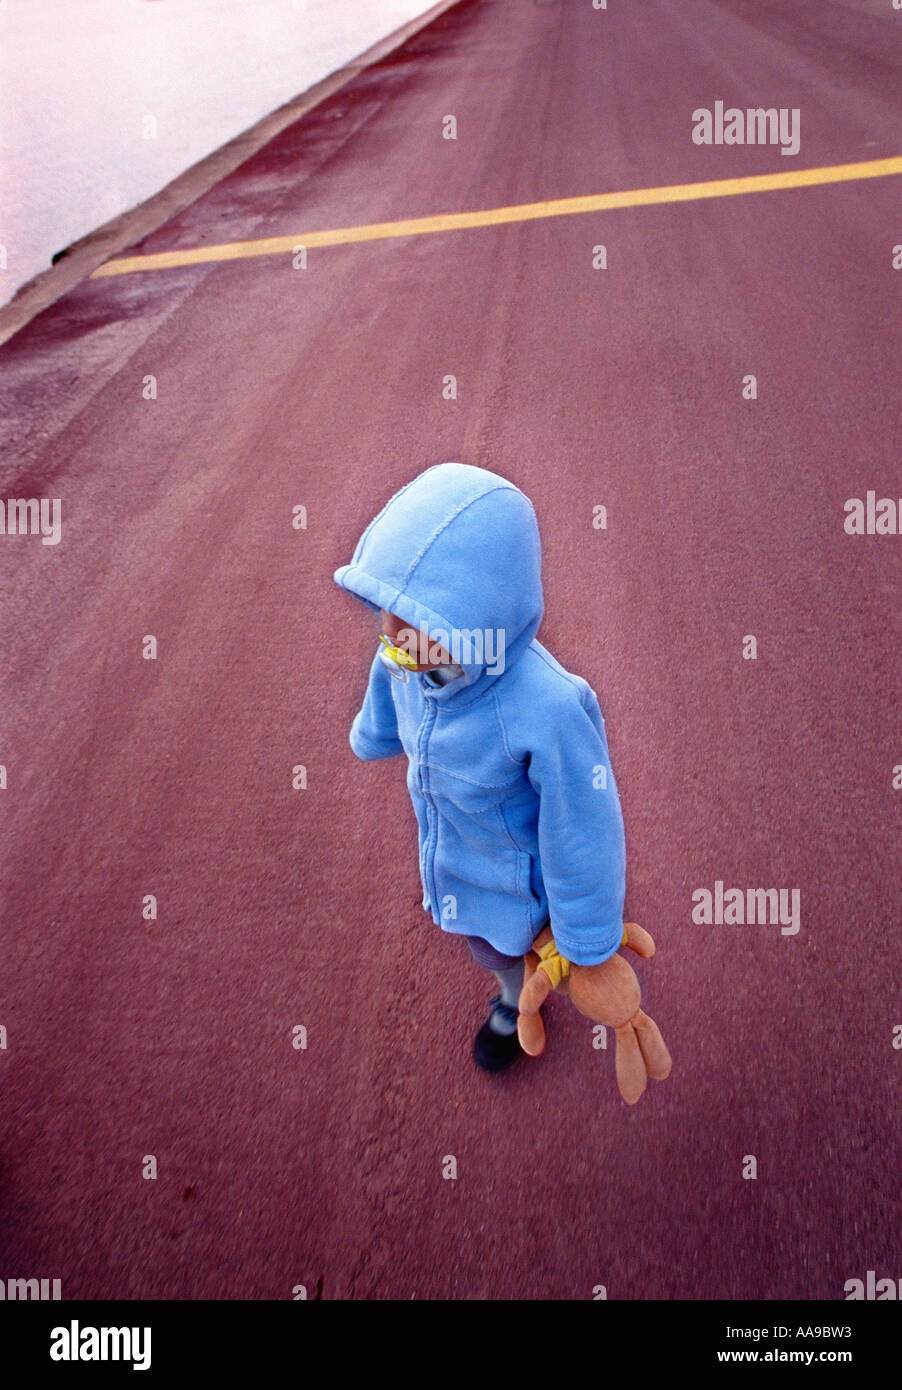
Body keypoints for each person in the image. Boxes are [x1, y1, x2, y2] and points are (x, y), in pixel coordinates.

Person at [333, 462, 627, 1072]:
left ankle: (535, 982)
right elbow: (388, 675)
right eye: (386, 609)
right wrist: (376, 730)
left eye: (415, 621)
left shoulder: (547, 708)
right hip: (459, 859)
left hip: (528, 873)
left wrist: (589, 935)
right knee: (487, 946)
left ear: (479, 616)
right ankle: (513, 995)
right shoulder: (405, 654)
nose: (391, 636)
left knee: (530, 941)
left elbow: (584, 826)